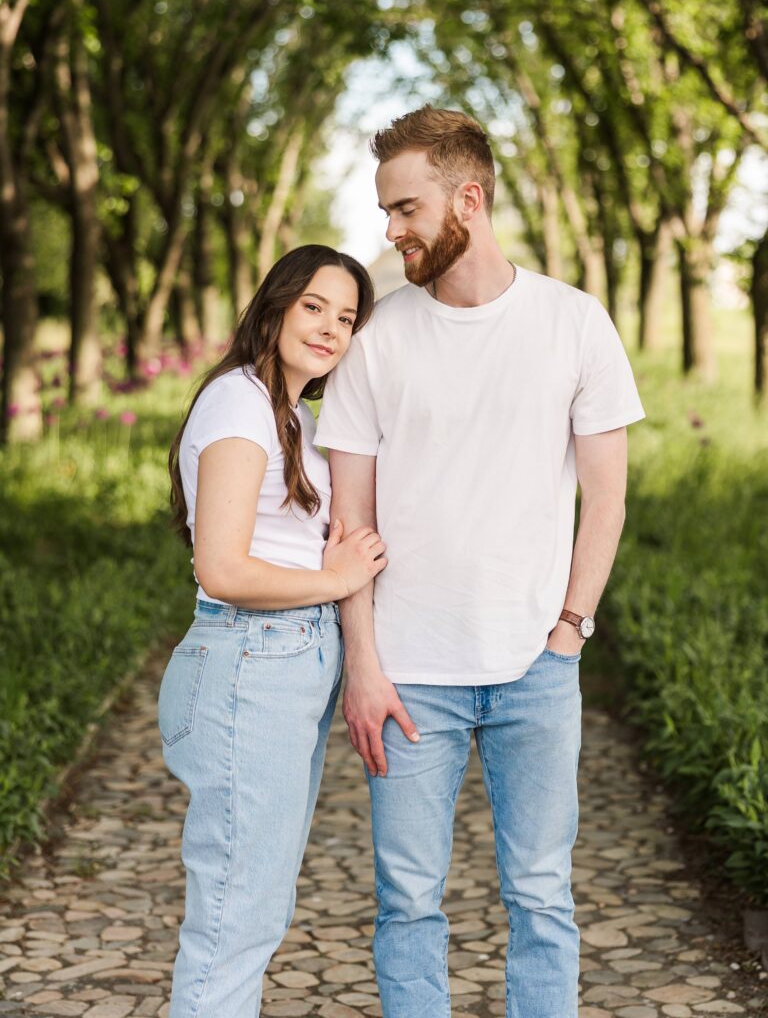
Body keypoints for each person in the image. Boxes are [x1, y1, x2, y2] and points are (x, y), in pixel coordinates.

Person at [314, 106, 645, 1018]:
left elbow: (606, 497)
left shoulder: (574, 323)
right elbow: (350, 522)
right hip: (409, 678)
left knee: (542, 897)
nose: (392, 231)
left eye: (406, 208)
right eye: (385, 212)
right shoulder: (375, 342)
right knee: (408, 903)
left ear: (469, 197)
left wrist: (570, 631)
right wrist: (365, 666)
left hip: (536, 666)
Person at [159, 244, 386, 1018]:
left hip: (283, 666)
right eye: (315, 306)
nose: (330, 328)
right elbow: (221, 566)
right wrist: (337, 579)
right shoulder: (237, 402)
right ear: (278, 303)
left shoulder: (292, 414)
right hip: (249, 663)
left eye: (347, 317)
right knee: (234, 917)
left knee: (252, 907)